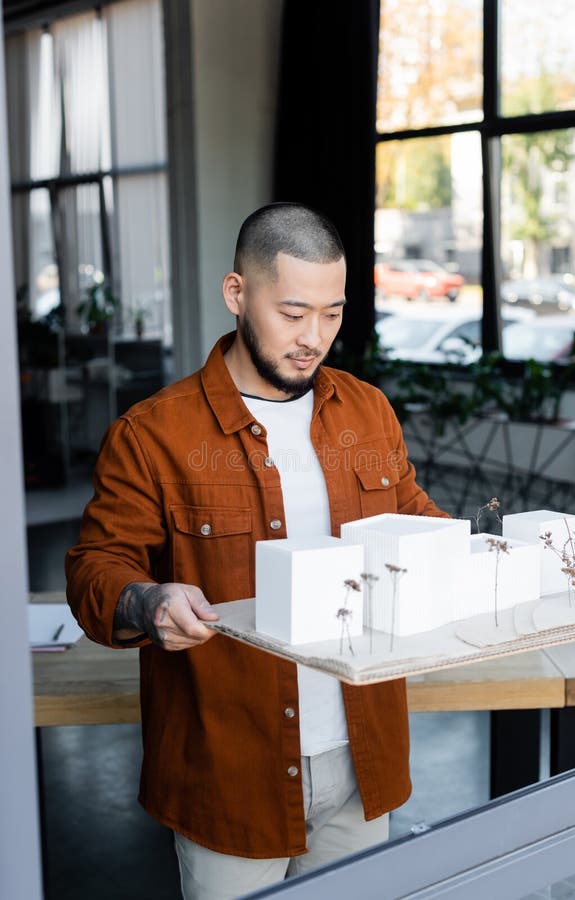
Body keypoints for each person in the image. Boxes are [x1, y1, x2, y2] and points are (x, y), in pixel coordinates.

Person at [66, 202, 448, 900]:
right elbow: (96, 569)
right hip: (229, 773)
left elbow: (416, 520)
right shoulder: (154, 434)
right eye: (293, 312)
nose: (314, 337)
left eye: (331, 313)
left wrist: (483, 552)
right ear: (237, 294)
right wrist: (148, 601)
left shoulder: (367, 411)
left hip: (365, 760)